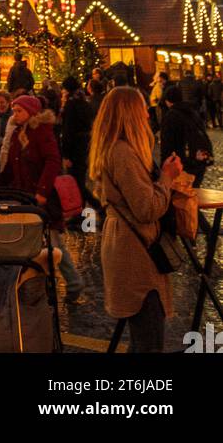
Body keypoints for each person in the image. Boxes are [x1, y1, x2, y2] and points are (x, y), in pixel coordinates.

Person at [89, 86, 182, 353]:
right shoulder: (122, 153)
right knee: (149, 339)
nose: (147, 114)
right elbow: (146, 208)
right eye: (142, 107)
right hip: (135, 253)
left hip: (129, 245)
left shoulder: (118, 149)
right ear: (130, 113)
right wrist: (167, 177)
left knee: (143, 337)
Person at [0, 94, 84, 302]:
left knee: (53, 242)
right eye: (14, 110)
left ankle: (73, 283)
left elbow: (52, 161)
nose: (14, 114)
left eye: (19, 110)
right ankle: (36, 284)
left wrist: (42, 191)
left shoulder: (42, 131)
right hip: (23, 197)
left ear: (31, 112)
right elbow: (12, 163)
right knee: (31, 243)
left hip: (41, 198)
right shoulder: (17, 131)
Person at [159, 84, 214, 188]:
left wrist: (164, 166)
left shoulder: (171, 116)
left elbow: (167, 145)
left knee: (182, 198)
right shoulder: (192, 111)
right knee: (194, 193)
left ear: (167, 100)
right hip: (198, 161)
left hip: (183, 164)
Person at [60, 76, 93, 205]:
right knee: (79, 179)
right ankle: (83, 208)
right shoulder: (84, 103)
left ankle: (83, 210)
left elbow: (68, 130)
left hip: (74, 147)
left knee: (75, 181)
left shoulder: (70, 105)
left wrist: (66, 154)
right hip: (84, 144)